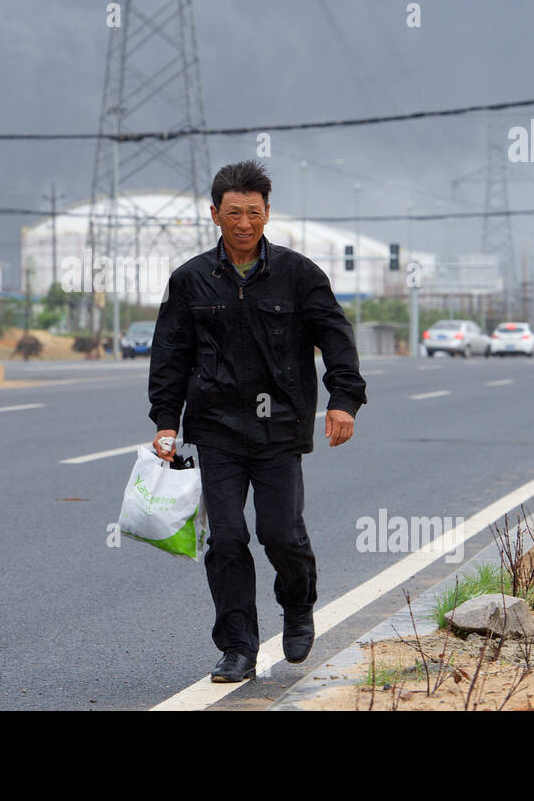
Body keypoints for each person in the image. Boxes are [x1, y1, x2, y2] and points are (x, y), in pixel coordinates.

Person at [148, 160, 367, 683]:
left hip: (280, 429)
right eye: (232, 213)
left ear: (267, 213)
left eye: (253, 212)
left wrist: (344, 400)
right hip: (217, 429)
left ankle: (297, 604)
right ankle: (238, 648)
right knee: (225, 539)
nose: (243, 222)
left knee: (280, 535)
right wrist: (165, 420)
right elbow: (170, 354)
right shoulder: (191, 279)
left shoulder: (299, 274)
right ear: (214, 215)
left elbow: (336, 338)